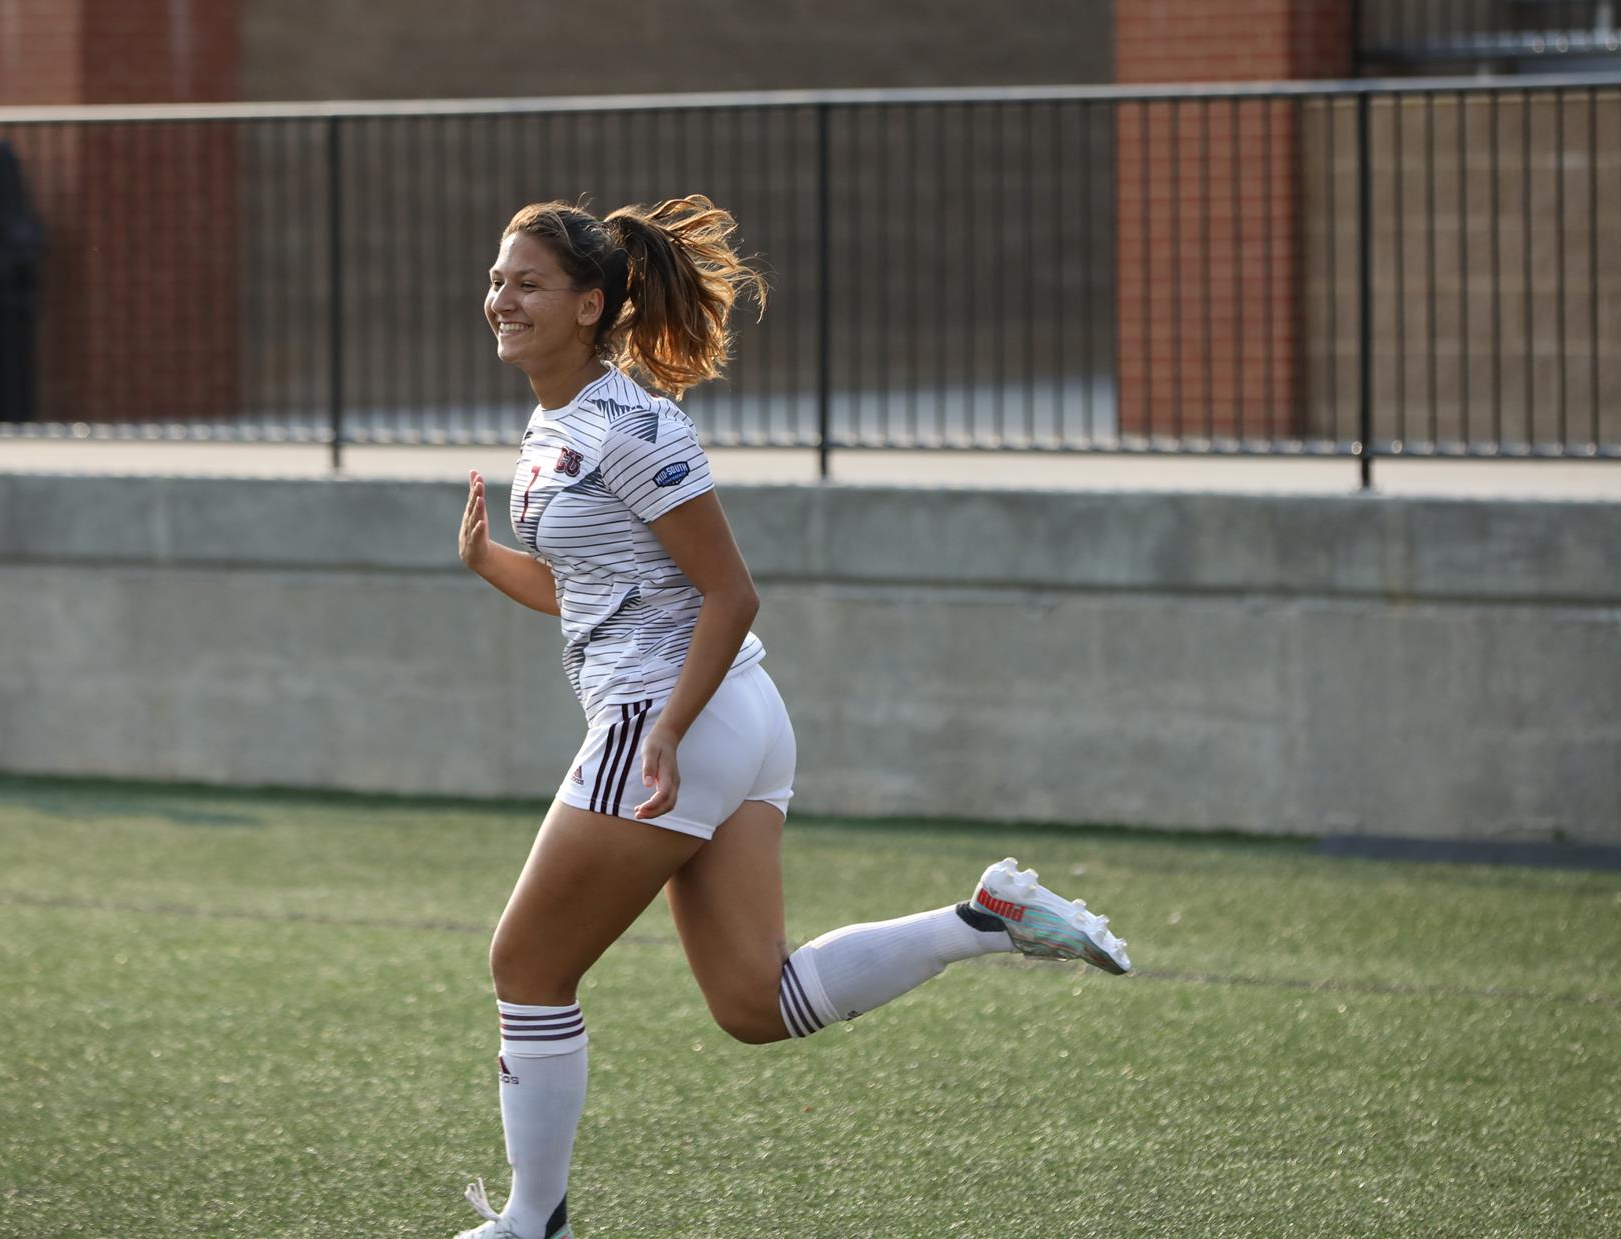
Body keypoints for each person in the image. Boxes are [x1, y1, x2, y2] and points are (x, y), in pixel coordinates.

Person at [451, 196, 1131, 1239]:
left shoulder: (627, 423)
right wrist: (490, 563)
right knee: (753, 1006)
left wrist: (668, 730)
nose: (503, 298)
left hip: (675, 720)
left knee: (525, 967)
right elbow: (598, 595)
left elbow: (731, 594)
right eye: (499, 279)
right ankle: (980, 919)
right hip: (730, 717)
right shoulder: (553, 424)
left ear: (590, 305)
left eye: (528, 283)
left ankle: (532, 1223)